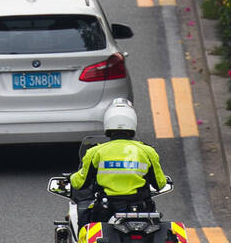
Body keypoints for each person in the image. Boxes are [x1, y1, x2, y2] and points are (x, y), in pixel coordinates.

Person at [70, 98, 168, 229]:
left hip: (106, 210)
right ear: (133, 122)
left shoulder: (95, 152)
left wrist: (71, 177)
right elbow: (160, 184)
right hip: (141, 209)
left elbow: (80, 183)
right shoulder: (147, 151)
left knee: (84, 223)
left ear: (107, 123)